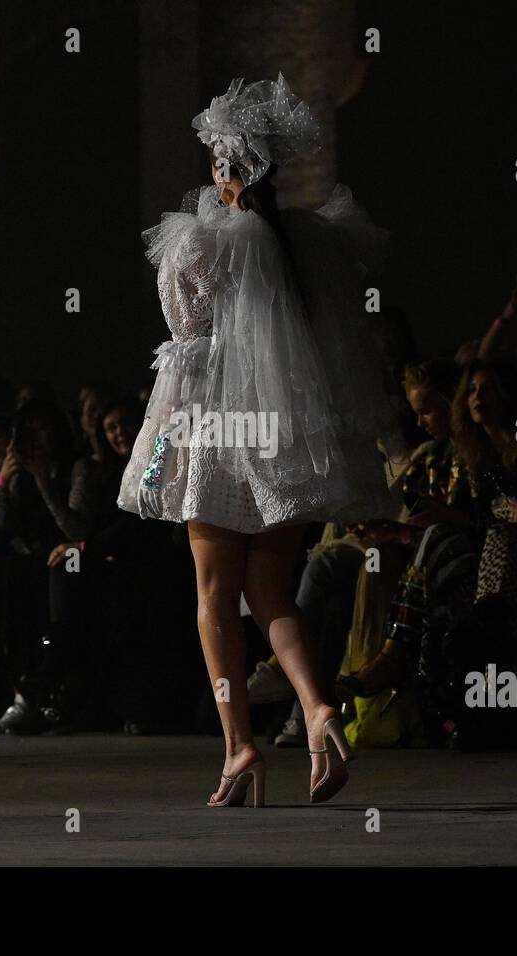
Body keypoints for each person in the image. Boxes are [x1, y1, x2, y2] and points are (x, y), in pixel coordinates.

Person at [117, 73, 401, 806]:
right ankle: (317, 707)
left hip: (216, 430)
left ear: (224, 167)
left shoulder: (199, 243)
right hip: (285, 435)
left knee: (215, 596)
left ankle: (240, 746)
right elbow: (338, 346)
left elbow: (185, 333)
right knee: (270, 588)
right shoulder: (312, 240)